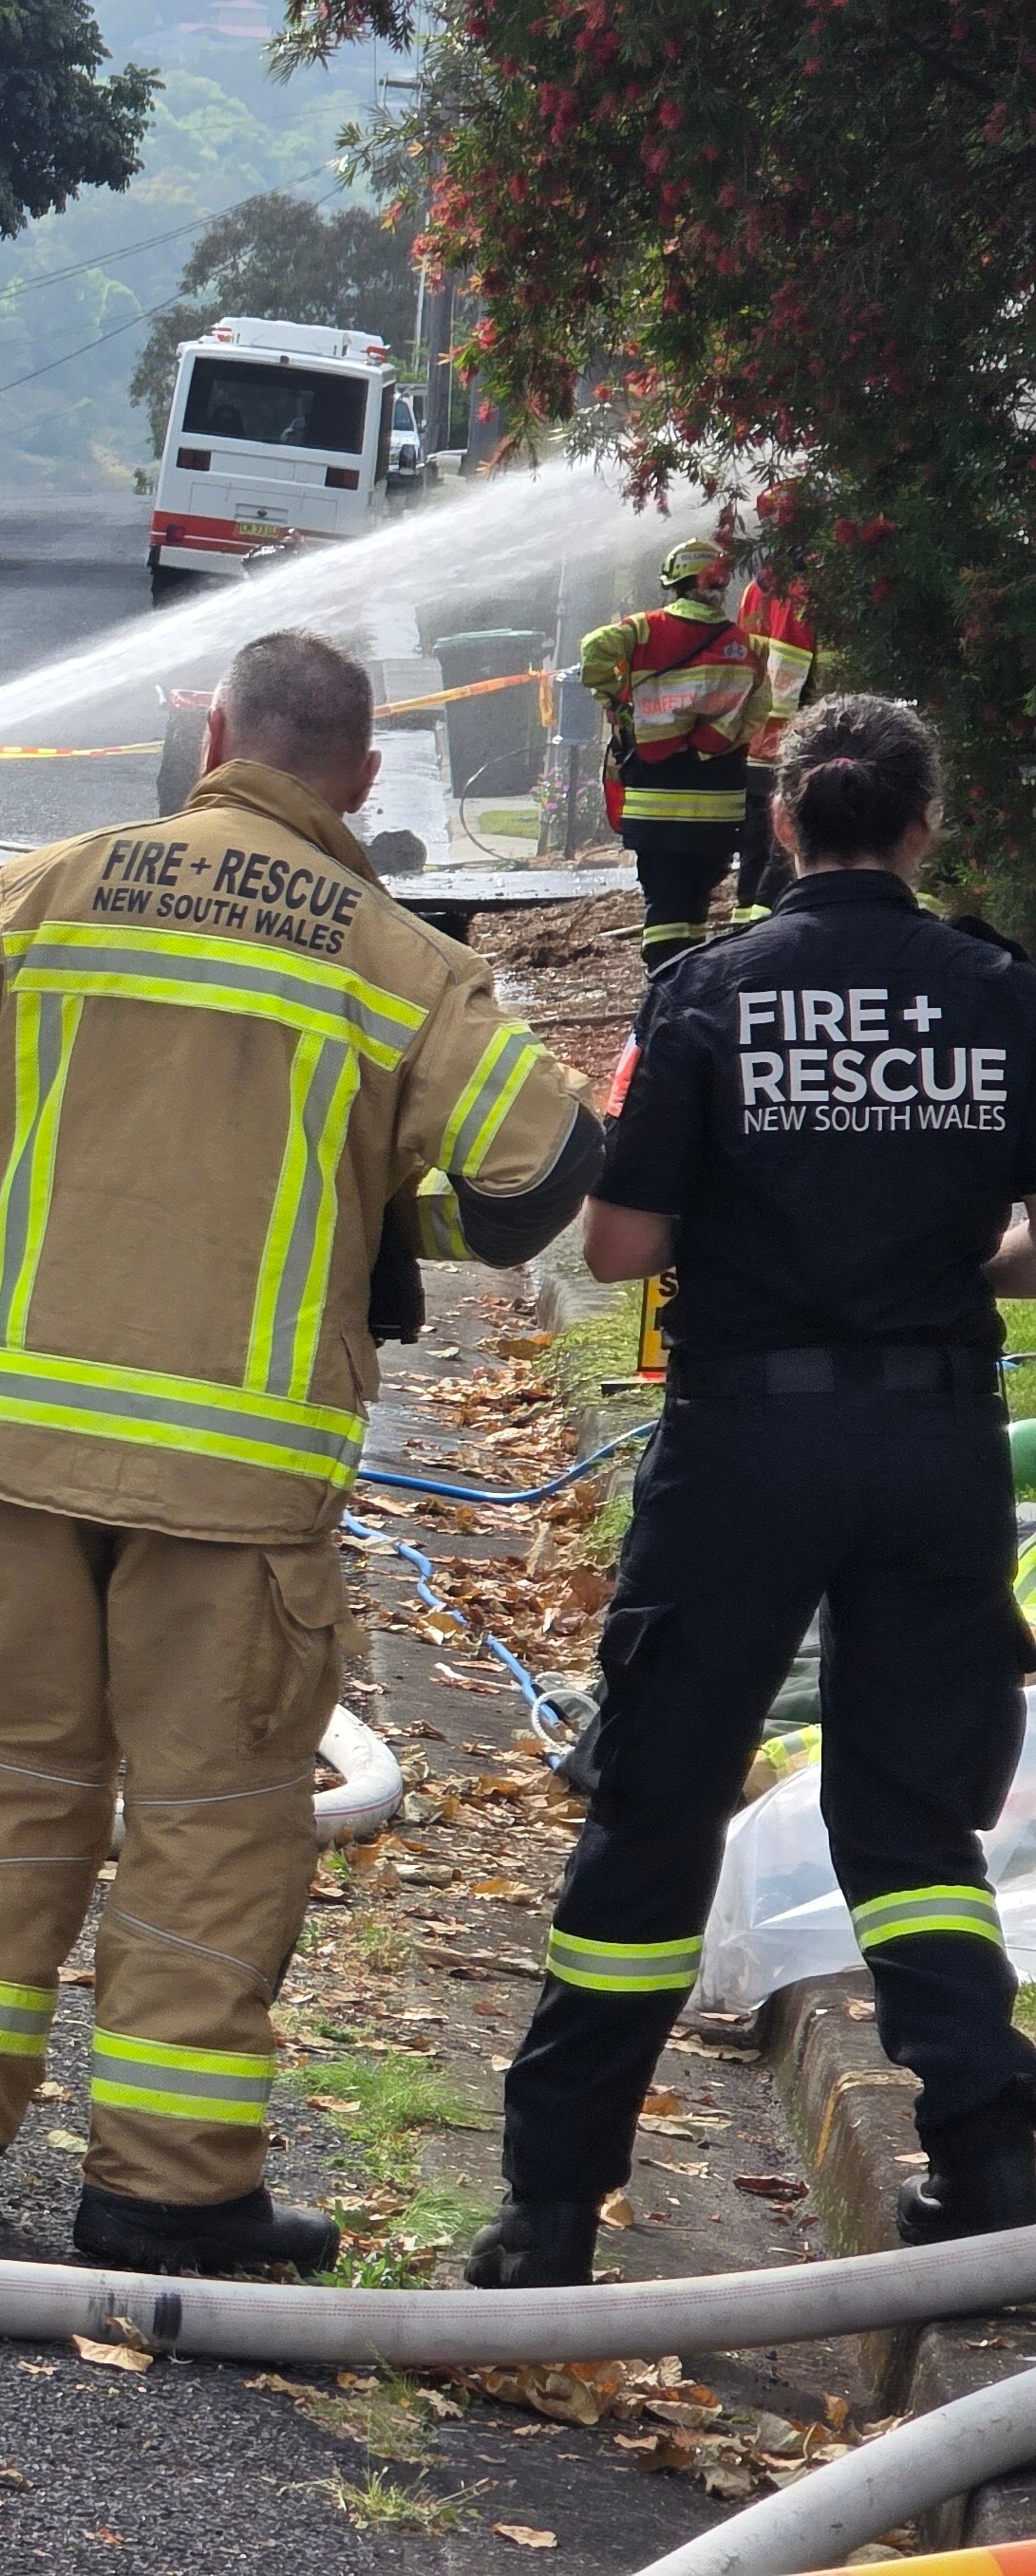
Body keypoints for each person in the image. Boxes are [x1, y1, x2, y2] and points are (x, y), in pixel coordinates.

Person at [0, 631, 599, 2274]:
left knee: (0, 1787)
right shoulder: (398, 963)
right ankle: (162, 2192)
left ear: (216, 732)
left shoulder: (47, 894)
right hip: (235, 1500)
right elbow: (543, 1171)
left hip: (8, 1460)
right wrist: (384, 1202)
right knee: (213, 1823)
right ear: (363, 782)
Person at [470, 698, 1036, 2286]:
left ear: (780, 824)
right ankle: (986, 2152)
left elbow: (622, 1248)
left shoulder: (706, 992)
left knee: (656, 1812)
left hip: (743, 1452)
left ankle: (551, 2213)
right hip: (932, 1445)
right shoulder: (1001, 993)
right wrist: (949, 1256)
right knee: (915, 1816)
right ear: (922, 828)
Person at [582, 537, 764, 968]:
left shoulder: (642, 630)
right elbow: (757, 714)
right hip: (719, 805)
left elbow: (593, 651)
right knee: (696, 902)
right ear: (721, 587)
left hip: (656, 800)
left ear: (674, 584)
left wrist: (618, 703)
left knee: (665, 904)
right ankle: (687, 976)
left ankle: (666, 982)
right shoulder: (749, 648)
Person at [733, 568, 821, 916]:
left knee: (756, 840)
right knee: (784, 840)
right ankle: (765, 919)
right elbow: (789, 673)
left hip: (753, 737)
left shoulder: (754, 590)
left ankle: (745, 919)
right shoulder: (798, 593)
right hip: (785, 741)